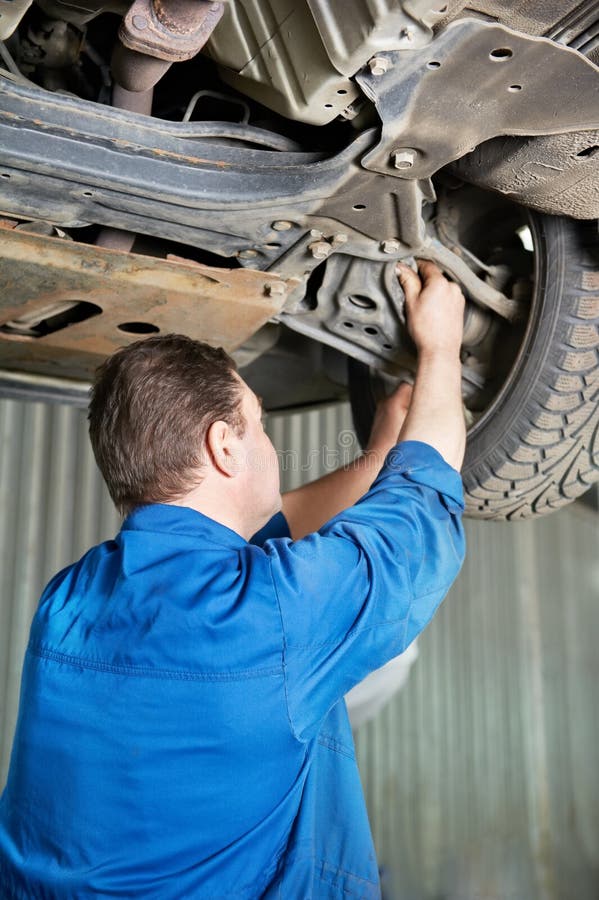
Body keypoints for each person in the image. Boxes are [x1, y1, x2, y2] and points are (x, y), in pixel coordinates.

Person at [0, 261, 466, 898]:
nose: (270, 445)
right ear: (224, 446)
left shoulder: (73, 599)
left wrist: (376, 460)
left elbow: (253, 552)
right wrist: (441, 346)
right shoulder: (268, 615)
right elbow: (424, 496)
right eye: (261, 425)